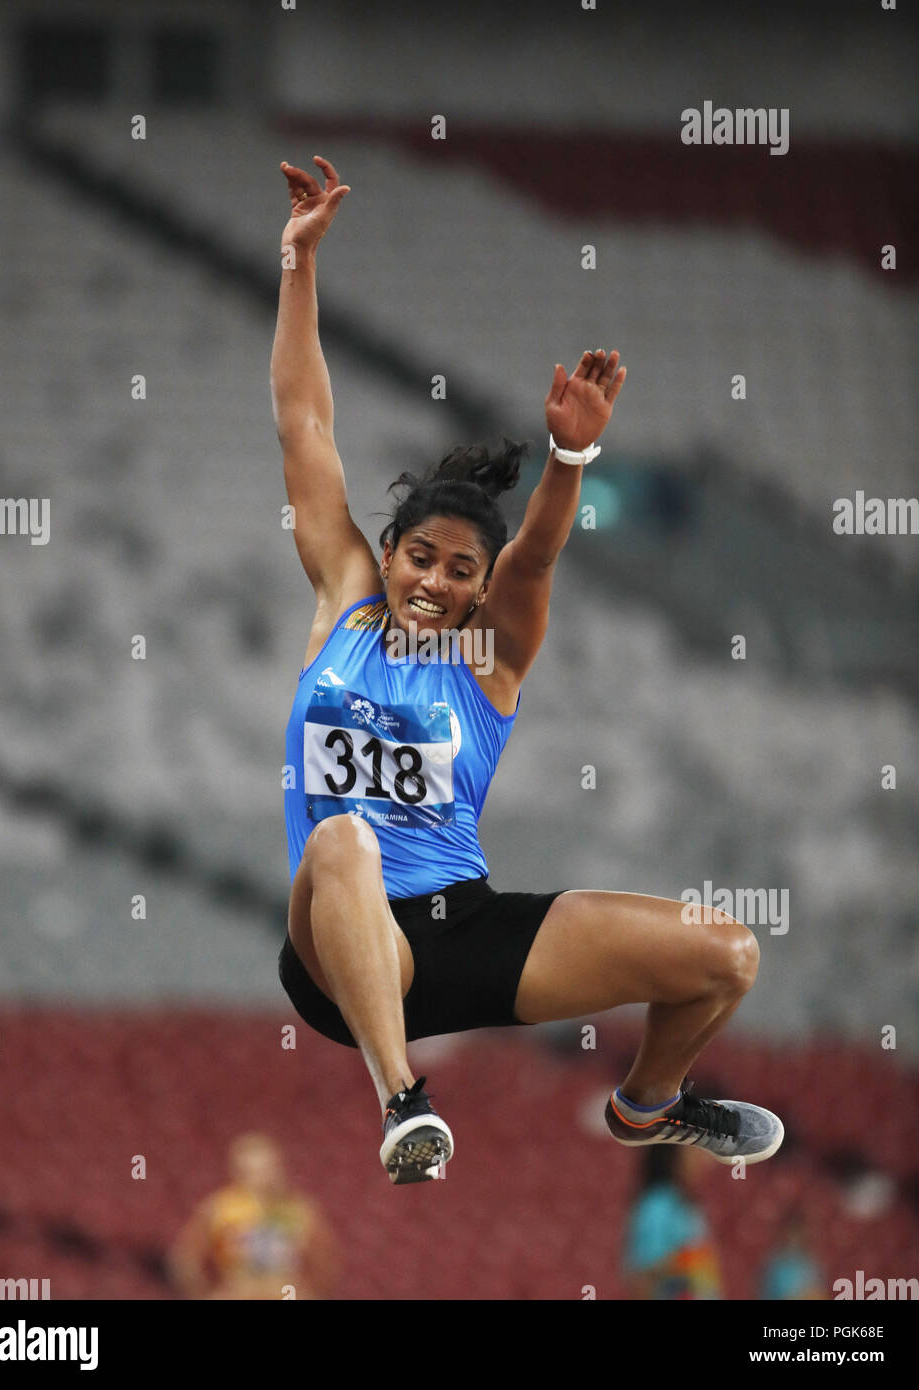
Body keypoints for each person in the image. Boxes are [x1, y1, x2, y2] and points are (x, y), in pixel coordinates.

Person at [273, 154, 784, 1185]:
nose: (433, 582)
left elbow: (538, 556)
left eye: (460, 570)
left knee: (727, 953)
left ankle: (648, 1110)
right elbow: (304, 423)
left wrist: (572, 459)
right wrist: (297, 265)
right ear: (389, 553)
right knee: (339, 839)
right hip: (343, 950)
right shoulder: (346, 602)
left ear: (475, 587)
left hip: (464, 928)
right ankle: (403, 1103)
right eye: (419, 557)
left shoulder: (487, 658)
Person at [169, 1133, 336, 1299]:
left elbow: (326, 1259)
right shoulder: (219, 1208)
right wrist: (203, 1293)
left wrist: (312, 1292)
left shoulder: (300, 1209)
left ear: (278, 1168)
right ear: (235, 1171)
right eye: (250, 1170)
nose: (259, 1177)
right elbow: (186, 1258)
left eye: (265, 1169)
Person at [624, 1145, 722, 1299]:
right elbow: (642, 1275)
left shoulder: (690, 1204)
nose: (702, 1160)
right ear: (672, 1156)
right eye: (693, 1152)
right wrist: (684, 1261)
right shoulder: (657, 1205)